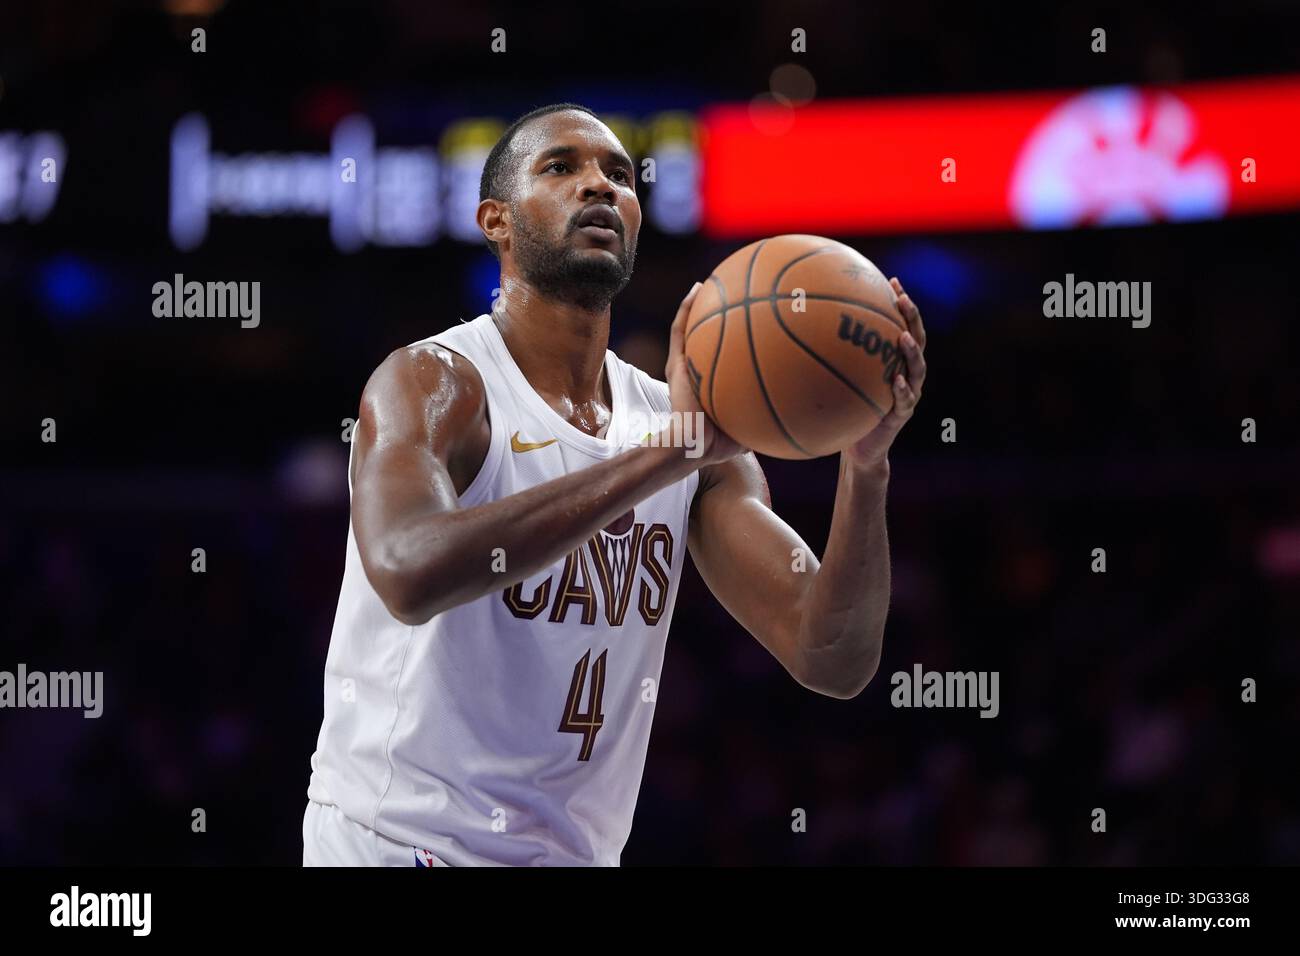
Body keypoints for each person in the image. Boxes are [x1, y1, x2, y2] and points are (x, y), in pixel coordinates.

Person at [303, 103, 928, 866]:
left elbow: (830, 657)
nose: (598, 185)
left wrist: (867, 467)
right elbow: (407, 568)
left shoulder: (687, 426)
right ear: (496, 221)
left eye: (620, 175)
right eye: (561, 168)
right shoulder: (436, 382)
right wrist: (670, 456)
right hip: (399, 843)